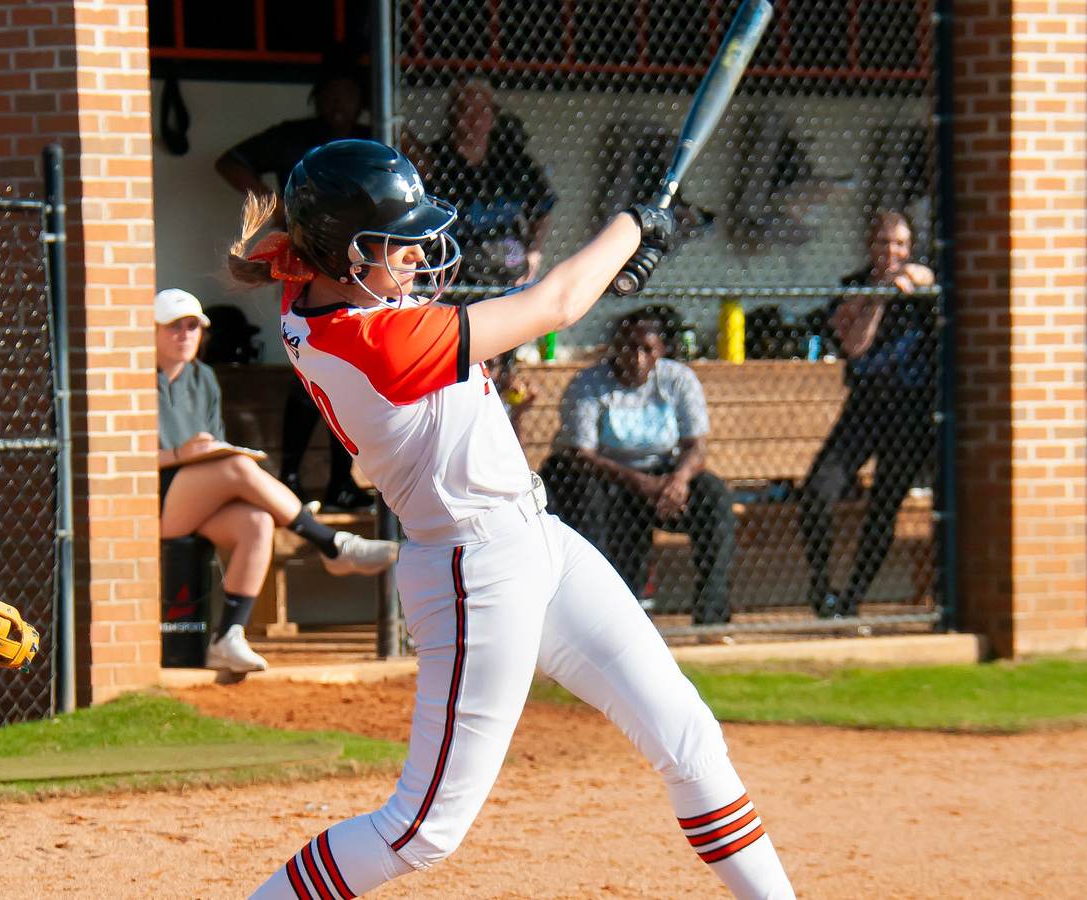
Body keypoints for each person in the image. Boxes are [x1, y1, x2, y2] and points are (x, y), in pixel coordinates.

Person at [225, 140, 795, 900]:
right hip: (472, 572)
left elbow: (551, 297)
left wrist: (604, 266)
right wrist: (632, 225)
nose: (418, 251)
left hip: (540, 541)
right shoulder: (369, 341)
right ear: (341, 250)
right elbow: (555, 304)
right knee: (421, 830)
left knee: (690, 741)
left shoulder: (324, 287)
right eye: (397, 240)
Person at [153, 288, 398, 675]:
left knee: (257, 521)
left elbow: (210, 448)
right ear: (150, 332)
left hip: (197, 501)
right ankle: (330, 544)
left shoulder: (203, 377)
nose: (185, 335)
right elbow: (123, 461)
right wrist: (183, 455)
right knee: (237, 468)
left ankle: (227, 638)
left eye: (192, 327)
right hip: (152, 502)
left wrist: (204, 453)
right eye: (173, 327)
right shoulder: (133, 381)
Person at [215, 62, 374, 511]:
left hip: (356, 268)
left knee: (344, 366)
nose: (339, 103)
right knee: (312, 363)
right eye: (331, 93)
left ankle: (341, 482)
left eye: (348, 93)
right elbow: (229, 162)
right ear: (317, 98)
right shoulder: (293, 135)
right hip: (305, 261)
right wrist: (279, 209)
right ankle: (290, 478)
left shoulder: (371, 135)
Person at [541, 308, 736, 626]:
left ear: (661, 351)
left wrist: (680, 481)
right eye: (629, 347)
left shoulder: (677, 379)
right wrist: (640, 483)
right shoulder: (589, 384)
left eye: (647, 348)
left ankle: (712, 615)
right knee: (590, 497)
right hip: (603, 477)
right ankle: (598, 617)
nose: (637, 357)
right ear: (615, 348)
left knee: (714, 495)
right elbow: (581, 455)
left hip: (662, 478)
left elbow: (696, 446)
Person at [798, 210, 937, 619]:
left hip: (910, 413)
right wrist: (879, 296)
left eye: (899, 244)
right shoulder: (853, 287)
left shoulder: (920, 283)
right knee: (818, 491)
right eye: (883, 242)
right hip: (864, 407)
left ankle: (853, 598)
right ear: (869, 245)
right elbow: (855, 346)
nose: (890, 251)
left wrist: (912, 280)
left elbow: (928, 278)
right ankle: (822, 586)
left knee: (884, 505)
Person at [403, 78, 556, 289]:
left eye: (482, 111)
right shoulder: (435, 163)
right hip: (451, 280)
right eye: (465, 110)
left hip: (507, 277)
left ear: (492, 117)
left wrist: (533, 254)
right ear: (452, 116)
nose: (474, 119)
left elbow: (542, 209)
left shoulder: (512, 162)